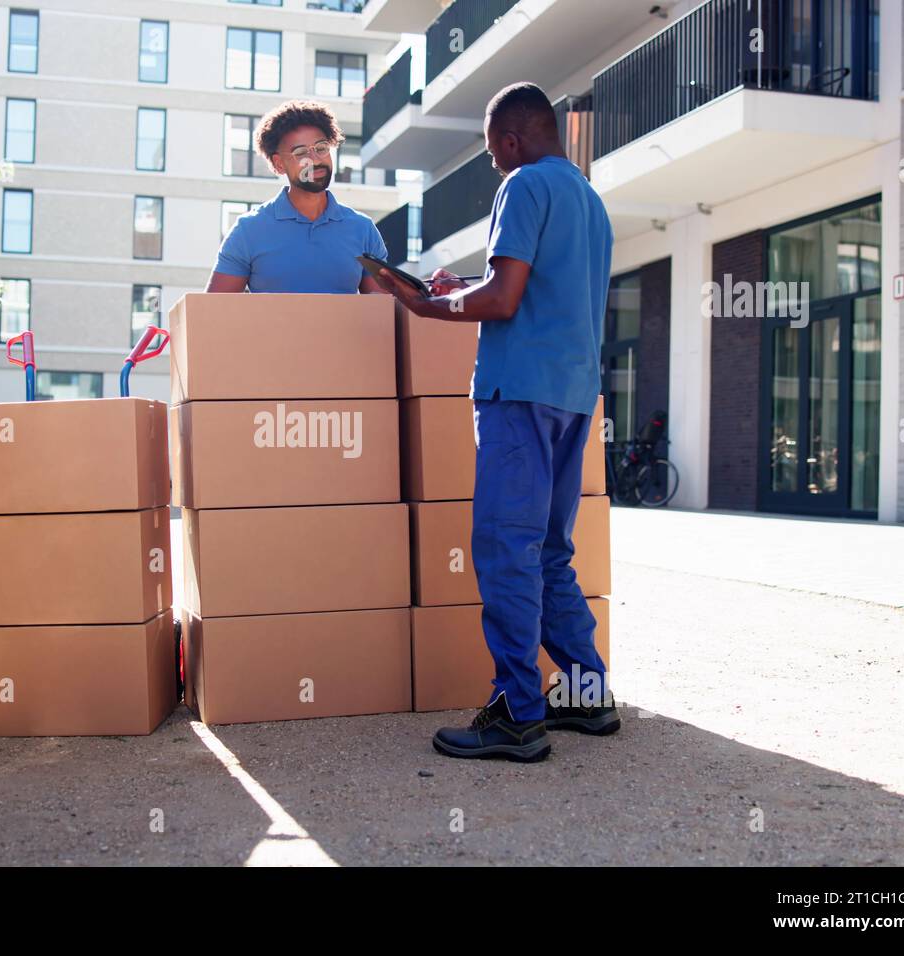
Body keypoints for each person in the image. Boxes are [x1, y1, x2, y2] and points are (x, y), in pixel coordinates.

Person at [375, 82, 618, 763]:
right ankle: (585, 696)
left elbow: (505, 301)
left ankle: (516, 713)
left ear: (512, 140)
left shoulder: (522, 186)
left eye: (491, 153)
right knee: (547, 550)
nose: (493, 165)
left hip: (519, 394)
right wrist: (464, 293)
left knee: (506, 549)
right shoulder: (588, 201)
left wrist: (428, 308)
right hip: (572, 393)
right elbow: (530, 289)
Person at [206, 100, 389, 295]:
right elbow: (212, 312)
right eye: (301, 153)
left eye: (321, 148)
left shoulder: (363, 229)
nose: (315, 160)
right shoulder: (248, 230)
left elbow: (381, 311)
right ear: (278, 164)